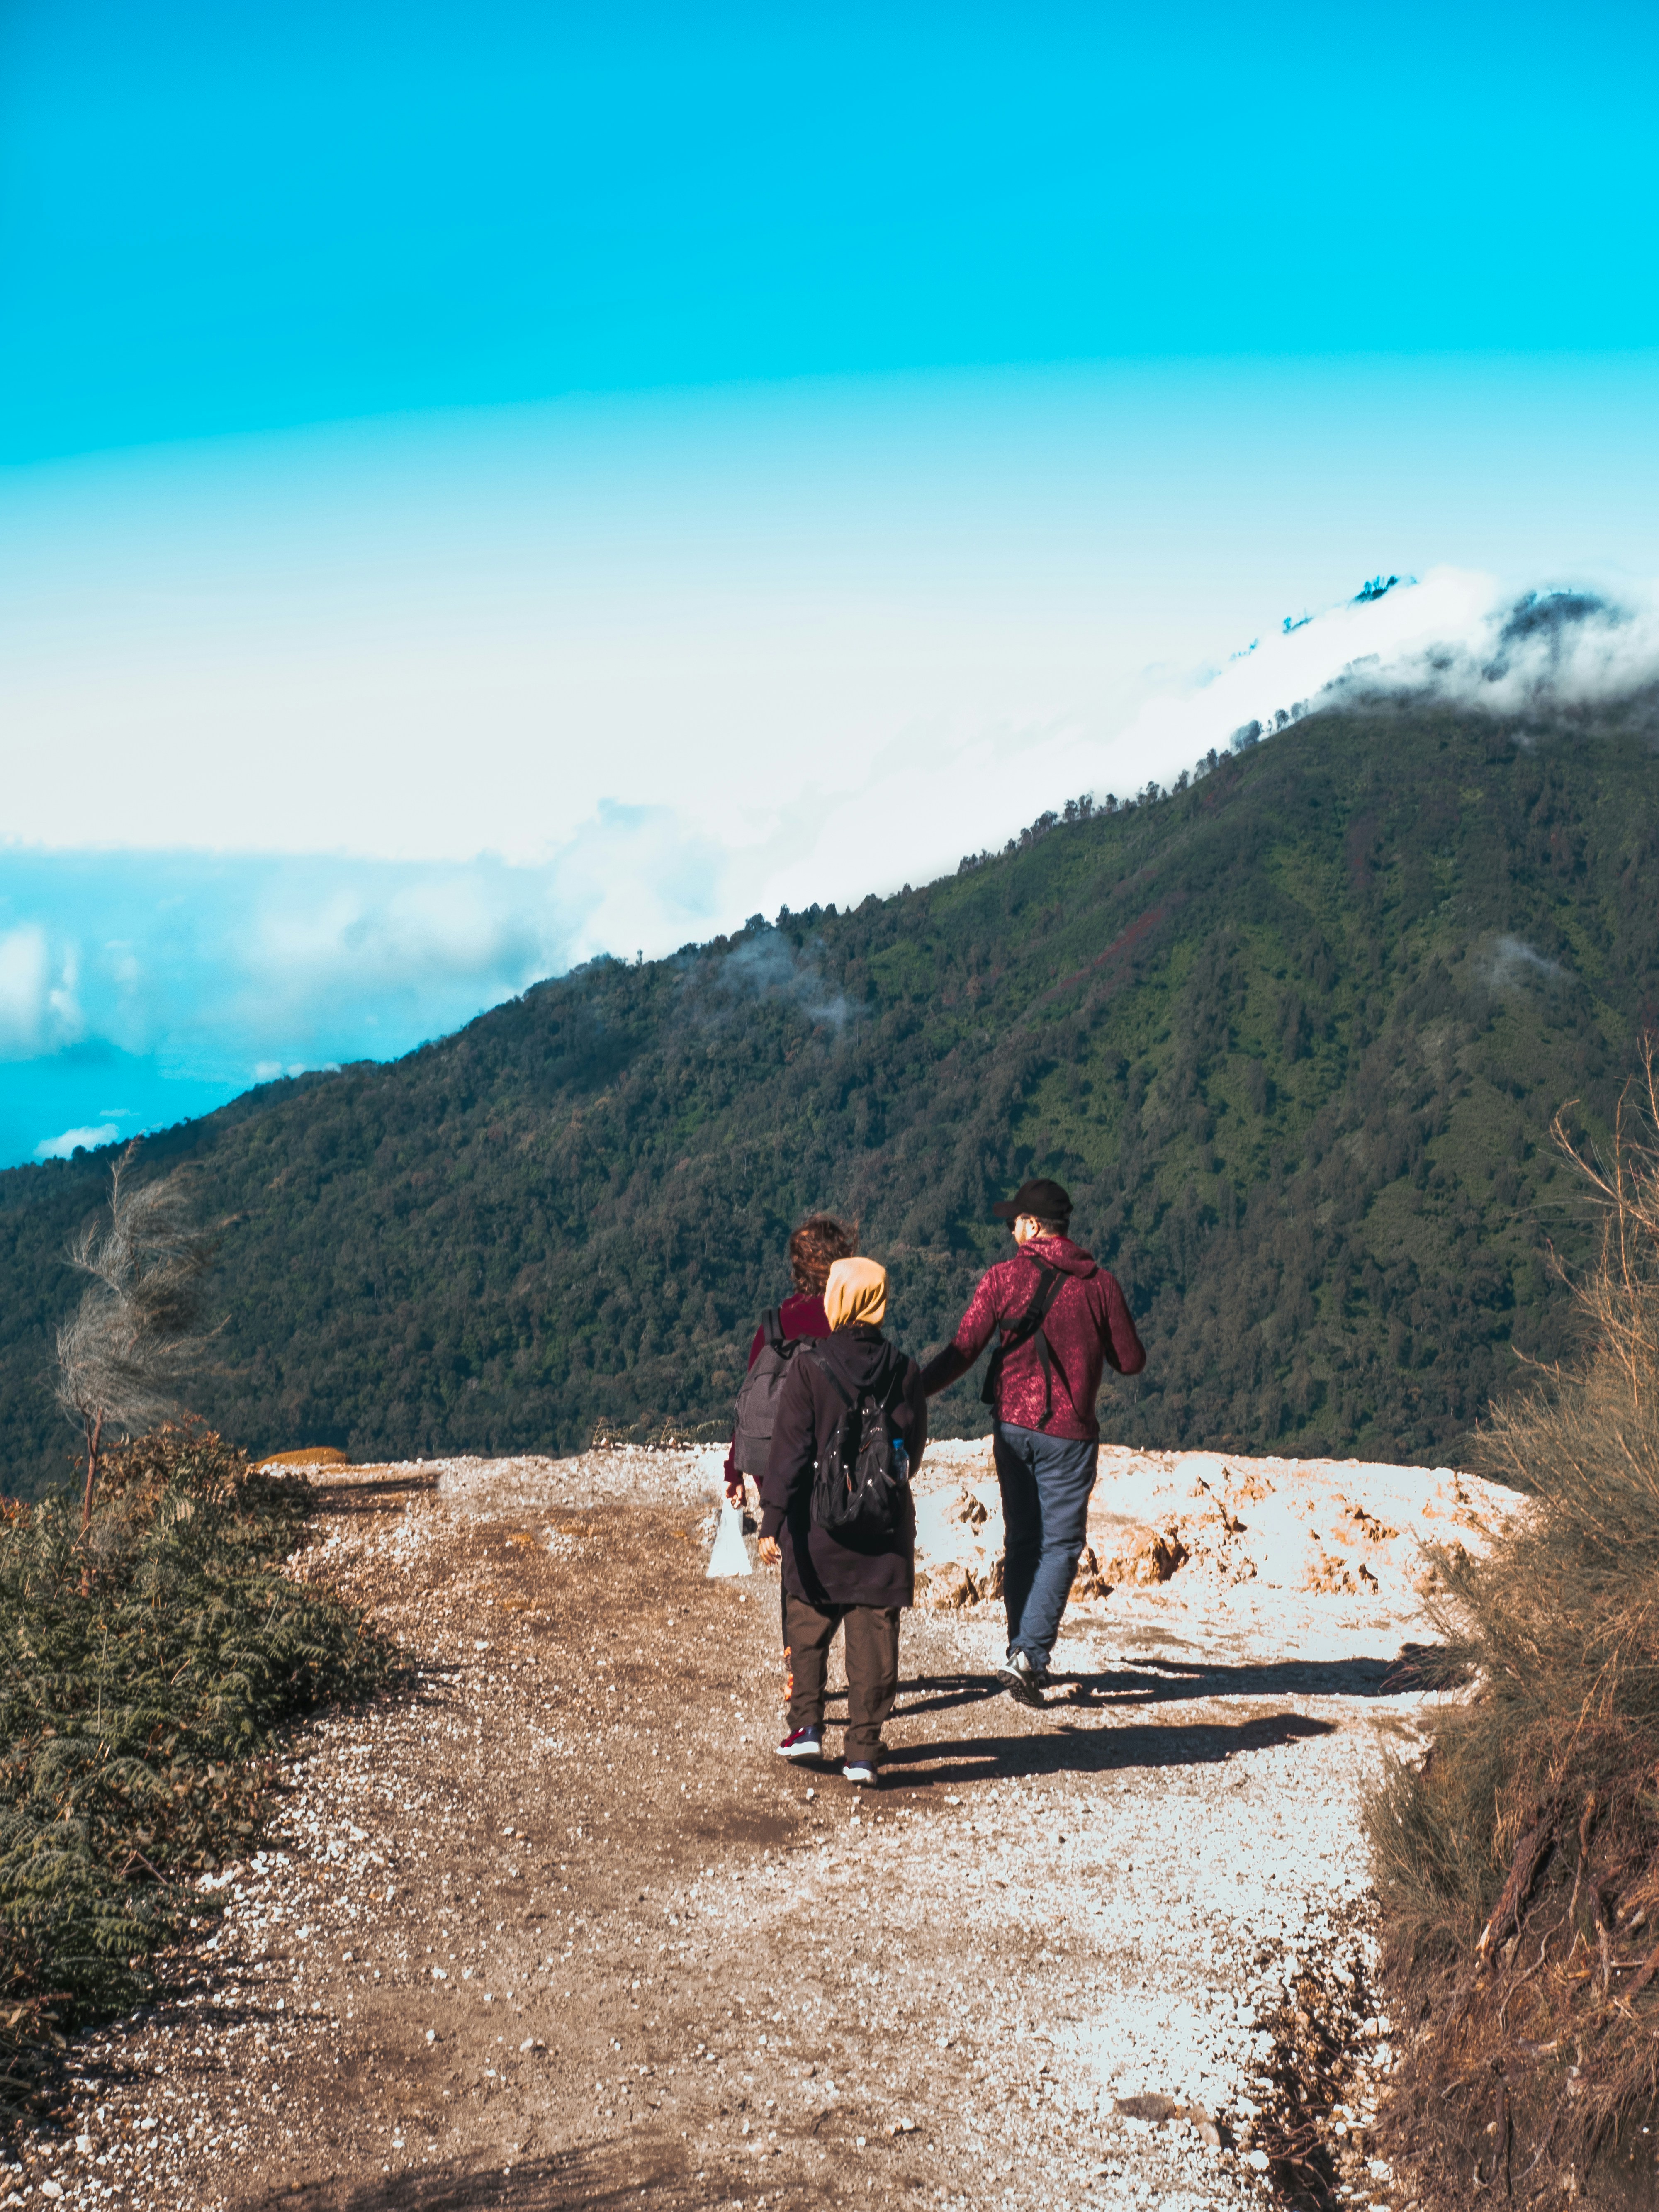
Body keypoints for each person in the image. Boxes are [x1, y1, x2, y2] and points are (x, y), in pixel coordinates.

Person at [921, 1178, 1144, 1707]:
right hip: (1068, 1435)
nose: (1010, 1230)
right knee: (1062, 1545)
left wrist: (914, 1391)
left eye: (1014, 1221)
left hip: (1011, 1429)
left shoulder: (1002, 1278)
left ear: (1033, 1227)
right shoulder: (1100, 1285)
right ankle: (1027, 1656)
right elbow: (1131, 1361)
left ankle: (1019, 1648)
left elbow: (962, 1350)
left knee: (1023, 1539)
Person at [758, 1255, 927, 1787]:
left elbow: (788, 1452)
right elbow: (911, 1452)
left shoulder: (810, 1366)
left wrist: (771, 1522)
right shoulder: (904, 1368)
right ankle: (863, 1751)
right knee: (874, 1639)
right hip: (882, 1530)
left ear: (837, 1299)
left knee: (808, 1624)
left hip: (818, 1524)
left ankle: (806, 1724)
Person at [722, 1214, 856, 1506]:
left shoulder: (773, 1328)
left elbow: (749, 1404)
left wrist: (734, 1471)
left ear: (797, 1268)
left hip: (779, 1488)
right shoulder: (849, 1325)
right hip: (836, 1484)